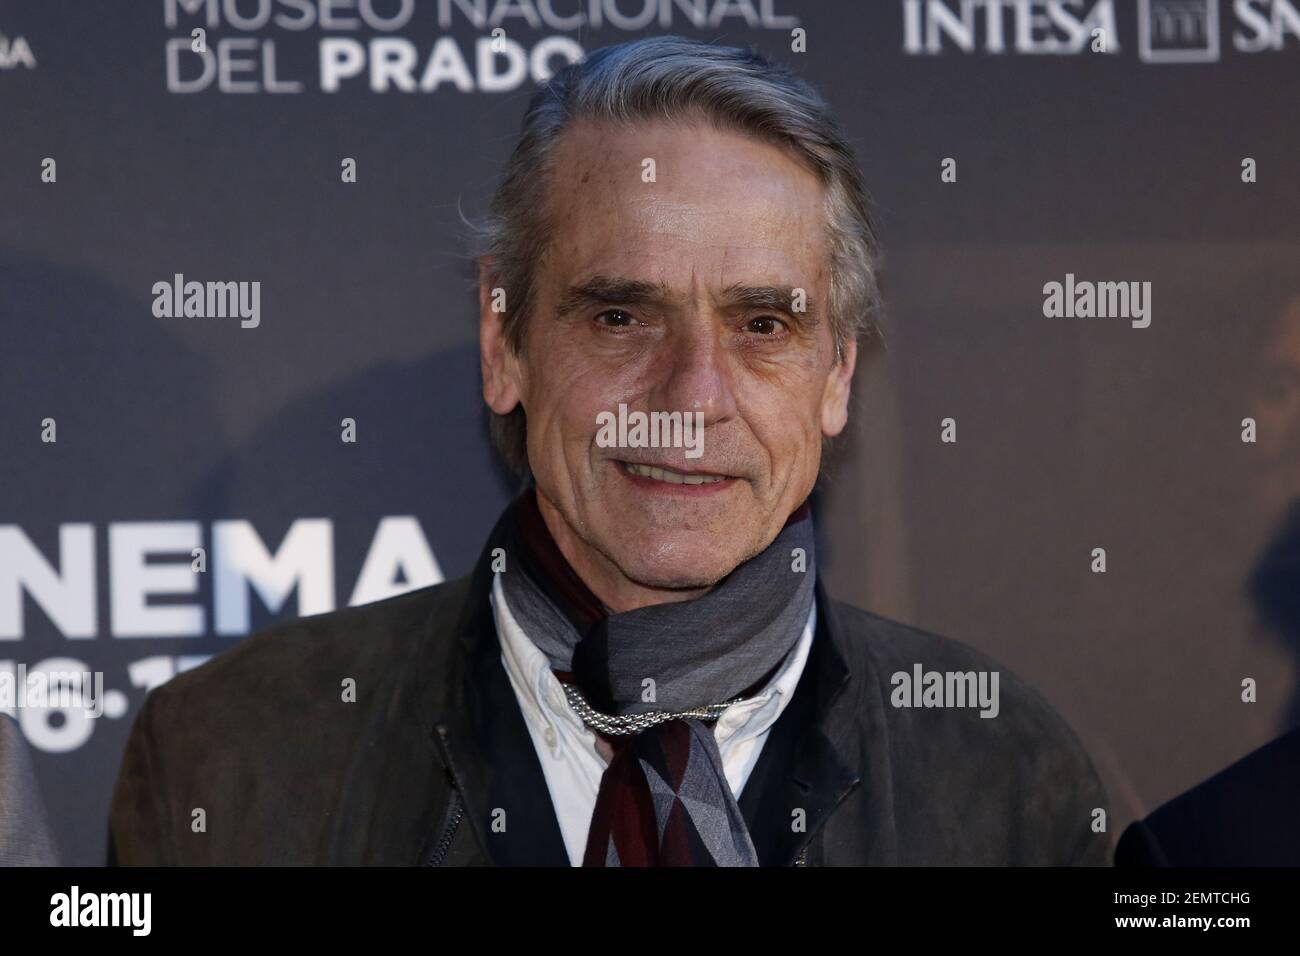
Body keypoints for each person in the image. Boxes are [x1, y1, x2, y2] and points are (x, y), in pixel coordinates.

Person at [108, 35, 1108, 866]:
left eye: (763, 325)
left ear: (838, 372)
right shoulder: (229, 758)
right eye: (623, 315)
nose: (691, 397)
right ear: (505, 340)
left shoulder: (1004, 774)